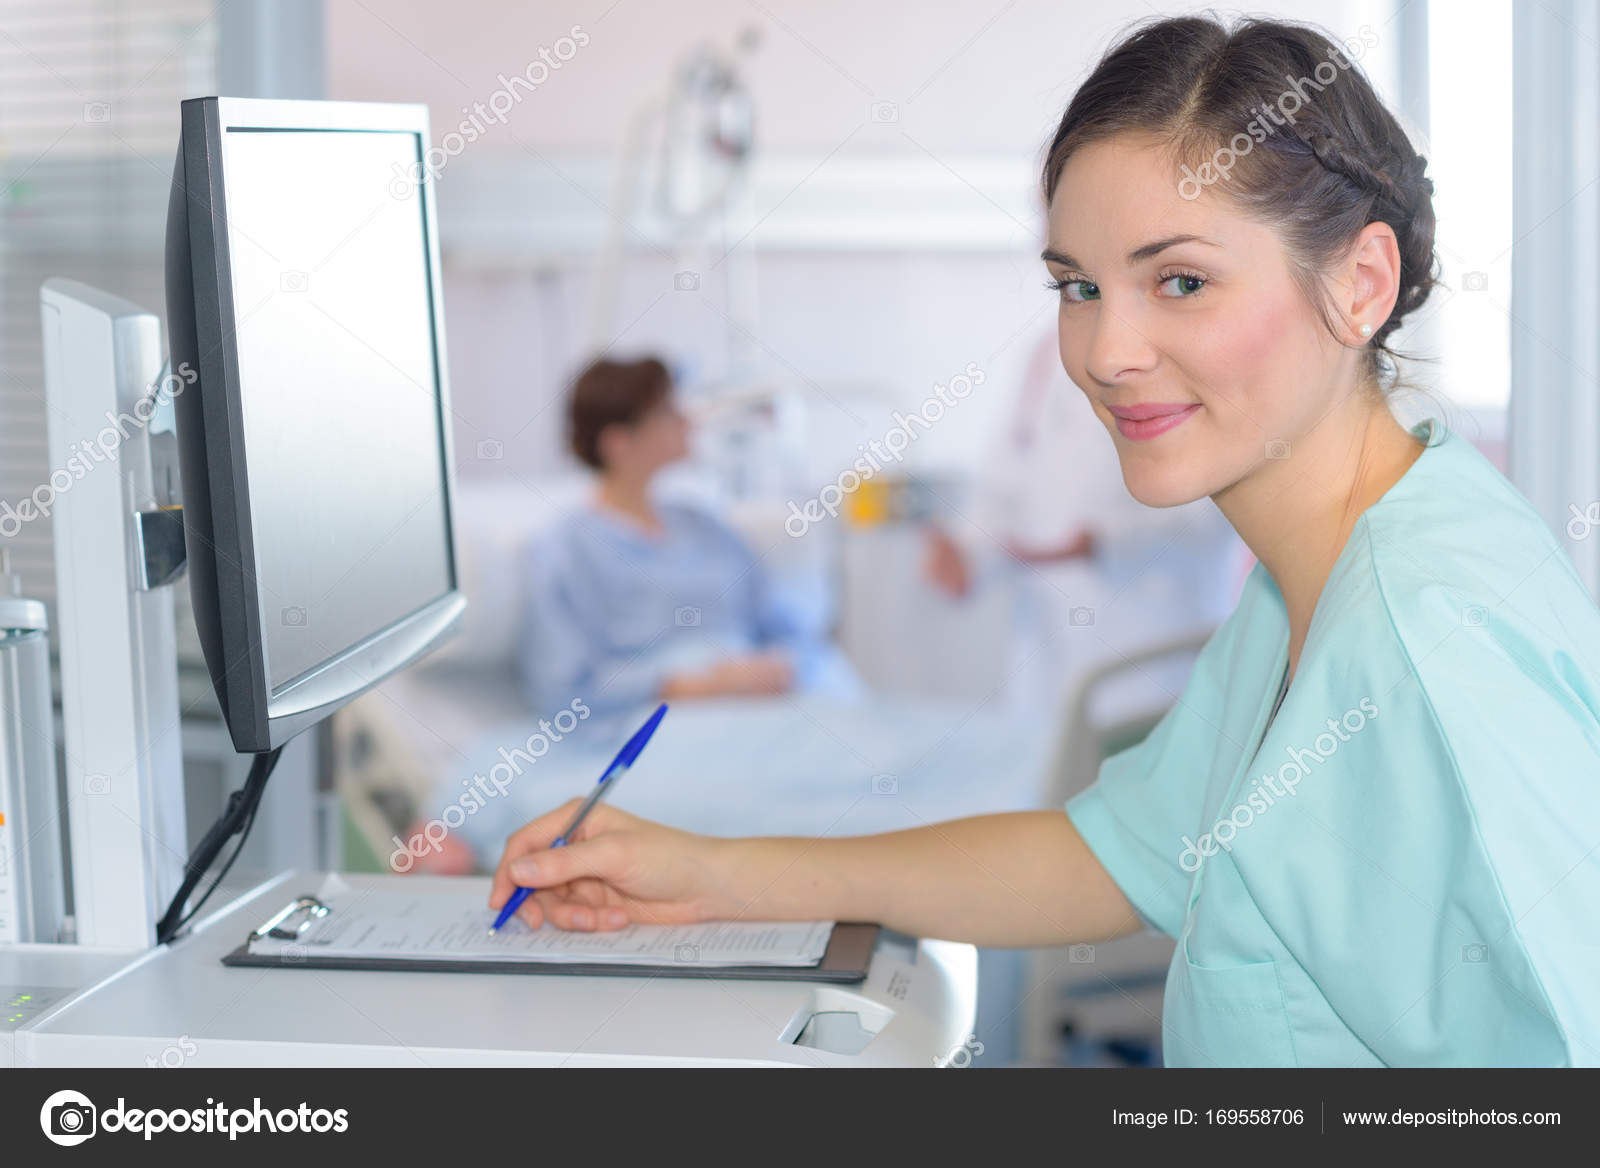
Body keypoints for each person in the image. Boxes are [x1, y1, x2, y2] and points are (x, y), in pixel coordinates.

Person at [483, 16, 1600, 1065]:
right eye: (1077, 286)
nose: (1106, 350)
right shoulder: (1303, 595)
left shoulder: (1428, 647)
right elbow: (1108, 855)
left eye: (1180, 281)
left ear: (1358, 285)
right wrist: (706, 873)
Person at [517, 355, 861, 719]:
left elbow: (784, 627)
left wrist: (779, 665)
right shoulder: (567, 549)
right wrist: (688, 685)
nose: (687, 420)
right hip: (666, 722)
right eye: (667, 412)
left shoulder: (706, 526)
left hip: (771, 703)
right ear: (618, 442)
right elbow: (560, 687)